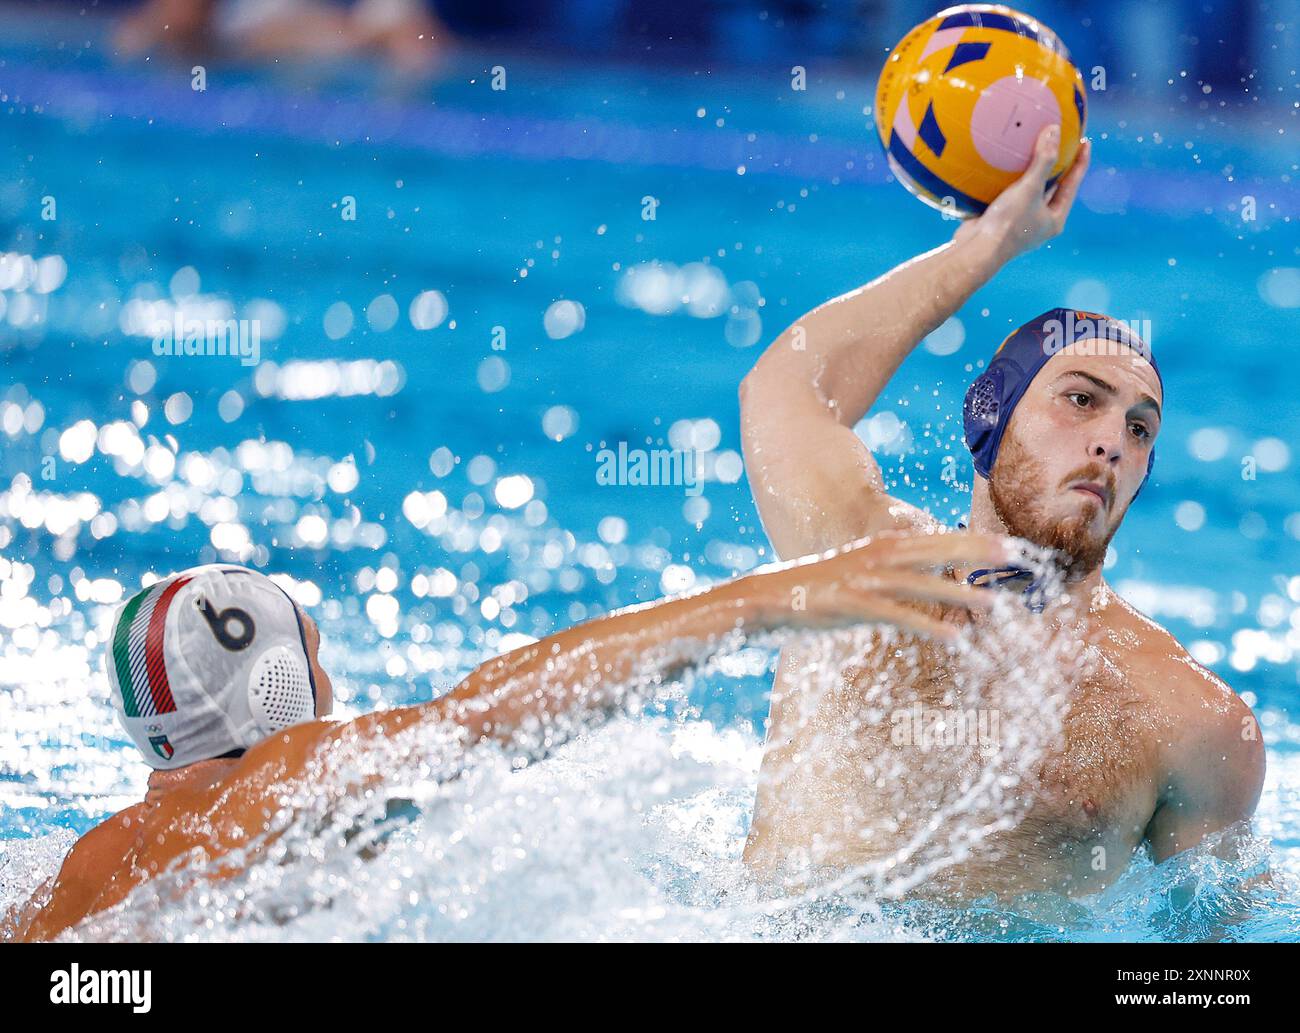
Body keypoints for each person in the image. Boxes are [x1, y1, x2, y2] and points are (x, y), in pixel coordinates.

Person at [3, 532, 1018, 941]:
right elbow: (492, 716)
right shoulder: (288, 776)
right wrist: (766, 601)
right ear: (276, 689)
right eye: (313, 656)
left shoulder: (75, 867)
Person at [738, 123, 1265, 896]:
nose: (1112, 442)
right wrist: (983, 248)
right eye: (1081, 400)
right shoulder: (855, 561)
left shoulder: (1192, 721)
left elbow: (1210, 971)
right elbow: (784, 389)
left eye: (1139, 427)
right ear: (989, 414)